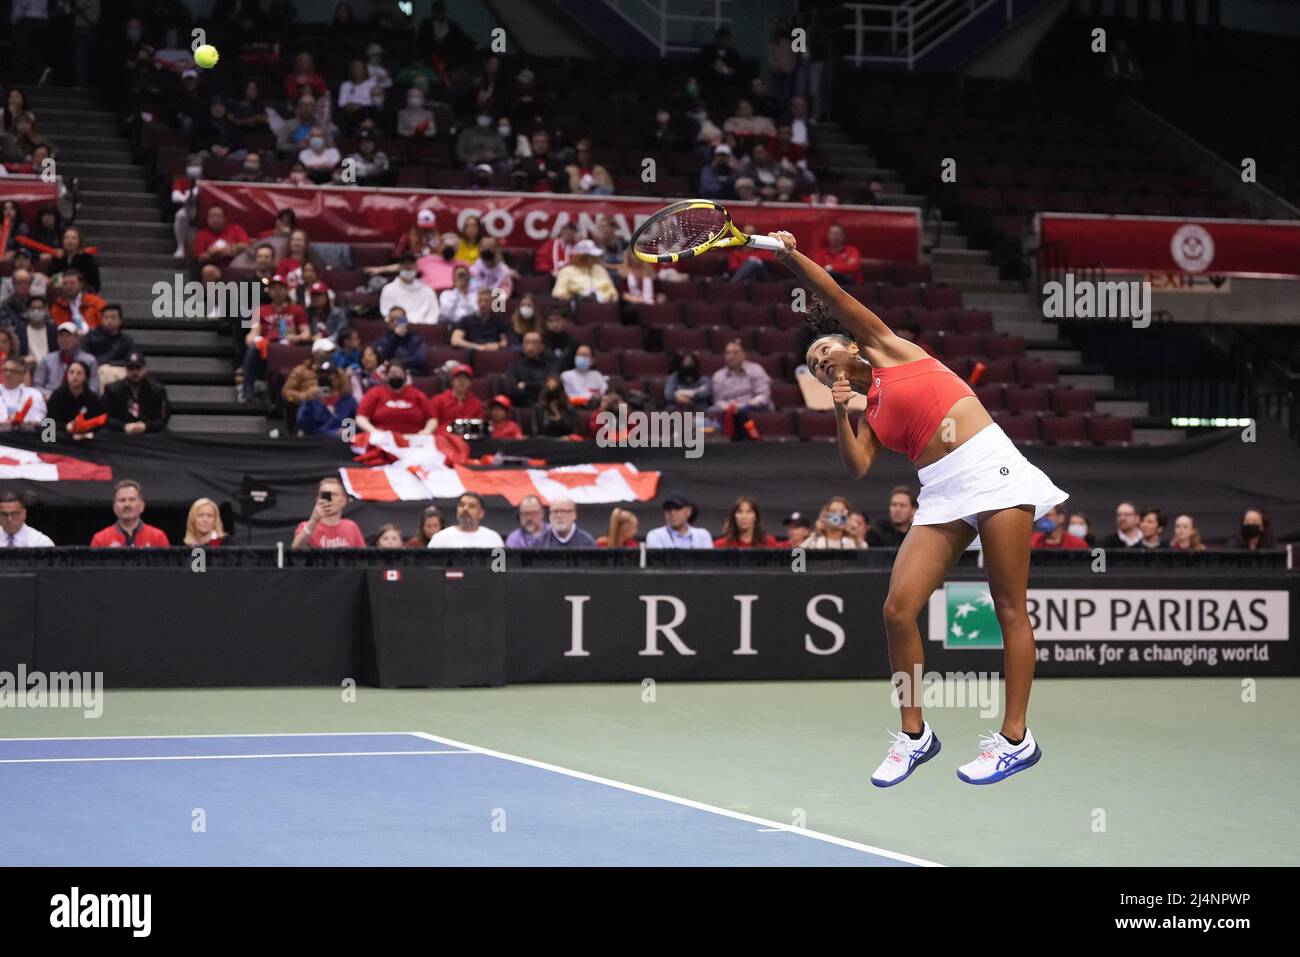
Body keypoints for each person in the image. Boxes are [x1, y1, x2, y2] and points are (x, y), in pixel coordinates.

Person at [771, 227, 1066, 786]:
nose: (819, 359)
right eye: (812, 363)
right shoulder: (870, 406)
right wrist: (841, 412)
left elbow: (830, 296)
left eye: (823, 349)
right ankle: (915, 736)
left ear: (850, 346)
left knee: (1008, 606)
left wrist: (790, 257)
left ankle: (1015, 740)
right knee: (897, 610)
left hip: (992, 470)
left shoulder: (890, 348)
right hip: (942, 492)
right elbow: (857, 466)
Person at [355, 359, 437, 434]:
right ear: (386, 376)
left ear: (405, 376)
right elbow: (361, 417)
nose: (396, 375)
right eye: (393, 373)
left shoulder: (417, 394)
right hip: (382, 439)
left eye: (399, 373)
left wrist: (427, 431)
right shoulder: (374, 393)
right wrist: (374, 431)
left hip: (414, 439)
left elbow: (432, 419)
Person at [710, 339, 770, 440]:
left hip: (750, 406)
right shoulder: (718, 375)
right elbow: (718, 400)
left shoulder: (755, 369)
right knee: (709, 411)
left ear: (743, 354)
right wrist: (729, 407)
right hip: (728, 408)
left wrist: (744, 406)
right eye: (728, 353)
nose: (731, 356)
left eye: (735, 352)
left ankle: (747, 442)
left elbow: (763, 396)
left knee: (742, 412)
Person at [90, 480, 172, 547]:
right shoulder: (100, 539)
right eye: (122, 500)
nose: (127, 505)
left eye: (132, 500)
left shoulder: (158, 537)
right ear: (114, 507)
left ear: (142, 506)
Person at [104, 353, 170, 434]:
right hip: (121, 433)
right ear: (126, 369)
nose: (135, 372)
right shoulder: (112, 390)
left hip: (149, 433)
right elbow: (106, 417)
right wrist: (124, 426)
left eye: (138, 368)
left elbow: (162, 419)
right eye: (131, 368)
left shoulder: (157, 390)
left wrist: (146, 426)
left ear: (145, 369)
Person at [291, 477, 366, 548]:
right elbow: (295, 551)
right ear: (317, 500)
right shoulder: (306, 526)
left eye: (334, 495)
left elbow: (363, 557)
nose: (330, 499)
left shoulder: (351, 527)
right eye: (325, 495)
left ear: (344, 501)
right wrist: (313, 521)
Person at [34, 323, 99, 398]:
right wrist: (52, 395)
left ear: (77, 339)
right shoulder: (47, 360)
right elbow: (37, 386)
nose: (64, 339)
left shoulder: (89, 360)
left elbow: (94, 387)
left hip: (80, 399)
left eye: (68, 336)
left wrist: (81, 395)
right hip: (52, 399)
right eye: (61, 336)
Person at [46, 360, 107, 439]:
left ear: (85, 377)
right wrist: (65, 427)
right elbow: (49, 422)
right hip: (61, 435)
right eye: (71, 372)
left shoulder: (92, 398)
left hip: (85, 437)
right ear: (67, 375)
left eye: (79, 373)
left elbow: (98, 421)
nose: (74, 376)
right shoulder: (57, 395)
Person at [379, 252, 441, 325]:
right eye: (405, 266)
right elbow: (386, 313)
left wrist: (423, 328)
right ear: (399, 267)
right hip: (399, 329)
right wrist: (403, 325)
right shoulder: (388, 289)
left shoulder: (427, 290)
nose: (408, 267)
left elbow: (434, 313)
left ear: (416, 267)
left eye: (411, 265)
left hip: (424, 329)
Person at [82, 304, 135, 384]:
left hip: (118, 372)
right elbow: (85, 357)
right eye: (106, 317)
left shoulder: (126, 340)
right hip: (96, 371)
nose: (109, 321)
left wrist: (110, 365)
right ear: (102, 319)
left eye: (113, 318)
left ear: (120, 321)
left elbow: (130, 360)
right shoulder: (92, 337)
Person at [428, 492, 505, 548]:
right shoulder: (439, 539)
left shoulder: (494, 539)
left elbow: (500, 569)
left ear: (481, 513)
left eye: (471, 506)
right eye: (461, 505)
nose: (465, 509)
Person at [551, 240, 617, 302]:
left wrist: (608, 297)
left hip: (602, 305)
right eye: (591, 257)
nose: (595, 259)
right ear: (582, 257)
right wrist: (573, 297)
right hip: (578, 306)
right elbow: (558, 293)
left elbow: (612, 291)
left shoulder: (600, 269)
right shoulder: (567, 271)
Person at [646, 491, 713, 549]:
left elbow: (707, 562)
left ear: (689, 511)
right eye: (668, 509)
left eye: (677, 508)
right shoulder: (656, 535)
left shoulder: (702, 535)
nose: (672, 513)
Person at [504, 331, 554, 408]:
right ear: (522, 345)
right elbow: (511, 390)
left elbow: (551, 387)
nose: (530, 347)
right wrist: (537, 390)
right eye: (526, 343)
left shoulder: (550, 366)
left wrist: (526, 385)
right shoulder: (514, 366)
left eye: (534, 343)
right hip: (522, 406)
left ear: (542, 346)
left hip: (546, 406)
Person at [373, 308, 429, 374]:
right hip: (388, 375)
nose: (395, 322)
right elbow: (380, 358)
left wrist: (398, 363)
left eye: (399, 319)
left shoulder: (416, 340)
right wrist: (395, 338)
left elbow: (420, 359)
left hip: (411, 373)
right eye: (392, 320)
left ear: (406, 321)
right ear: (388, 323)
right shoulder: (381, 340)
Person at [0, 355, 46, 430]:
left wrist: (19, 422)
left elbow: (38, 418)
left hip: (24, 435)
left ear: (22, 375)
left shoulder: (34, 394)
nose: (8, 374)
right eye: (5, 370)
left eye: (13, 371)